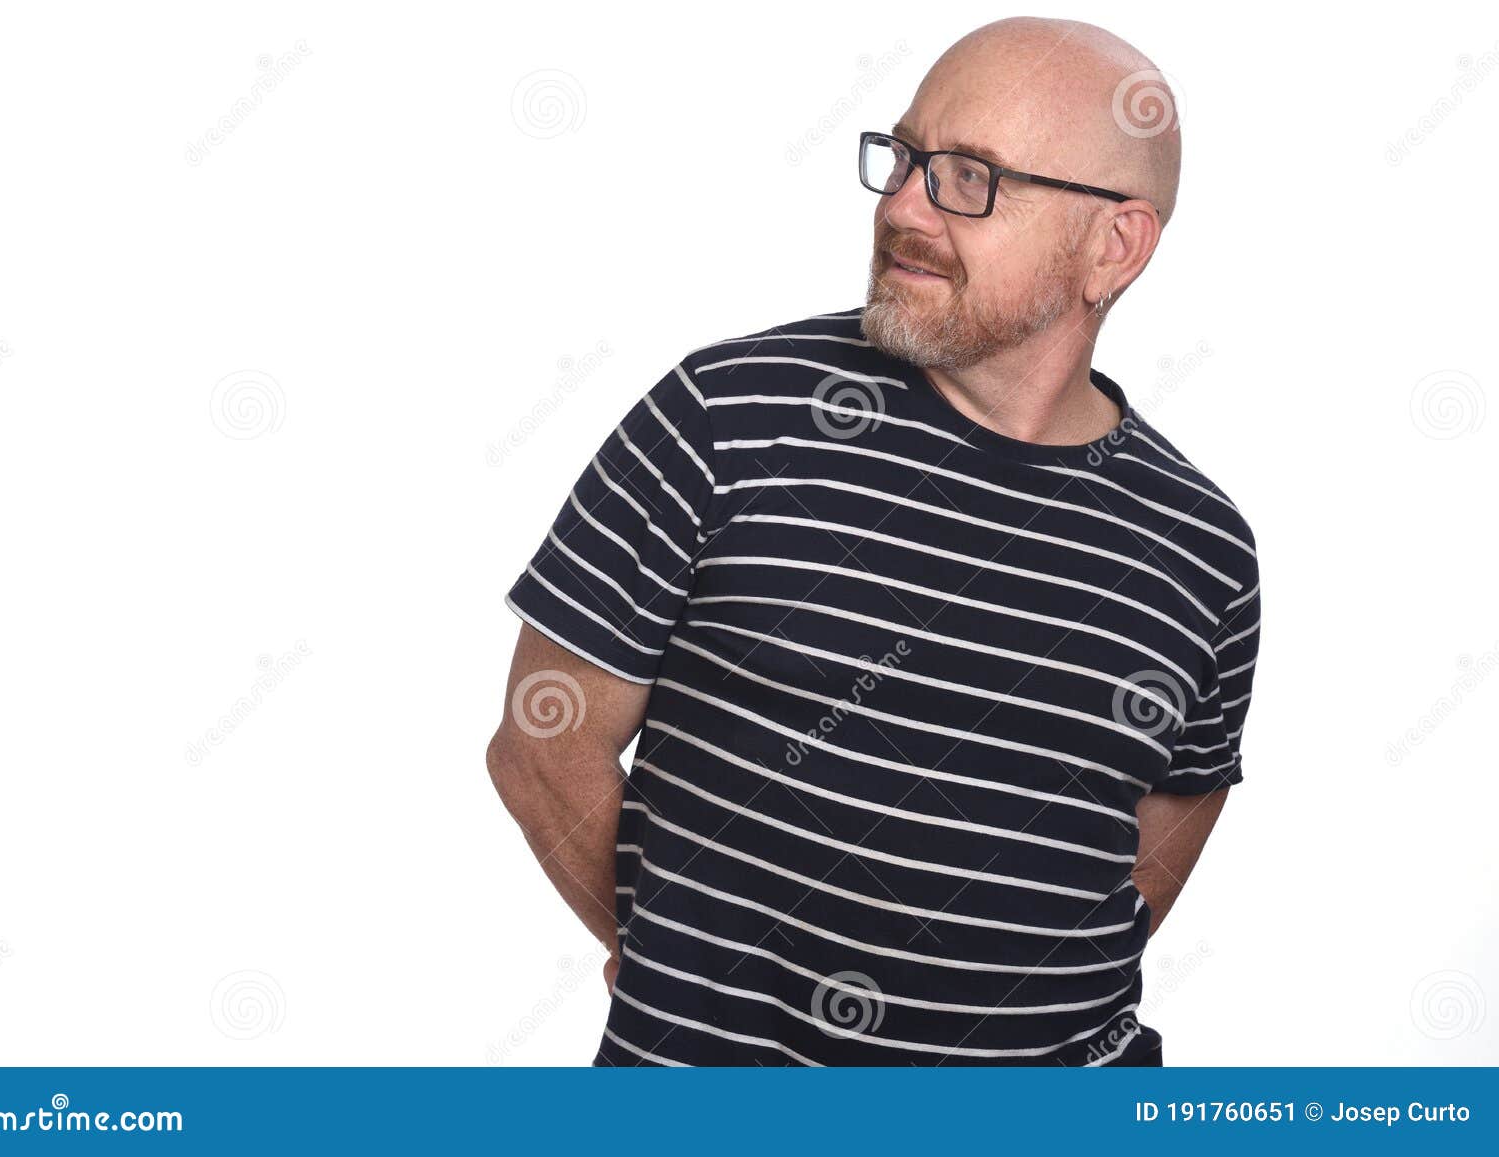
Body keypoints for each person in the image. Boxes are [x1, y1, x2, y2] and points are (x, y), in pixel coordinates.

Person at [486, 16, 1260, 1066]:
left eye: (969, 177)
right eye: (901, 159)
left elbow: (1153, 844)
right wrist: (670, 965)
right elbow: (542, 745)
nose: (903, 206)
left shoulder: (1202, 547)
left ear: (1111, 246)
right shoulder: (723, 414)